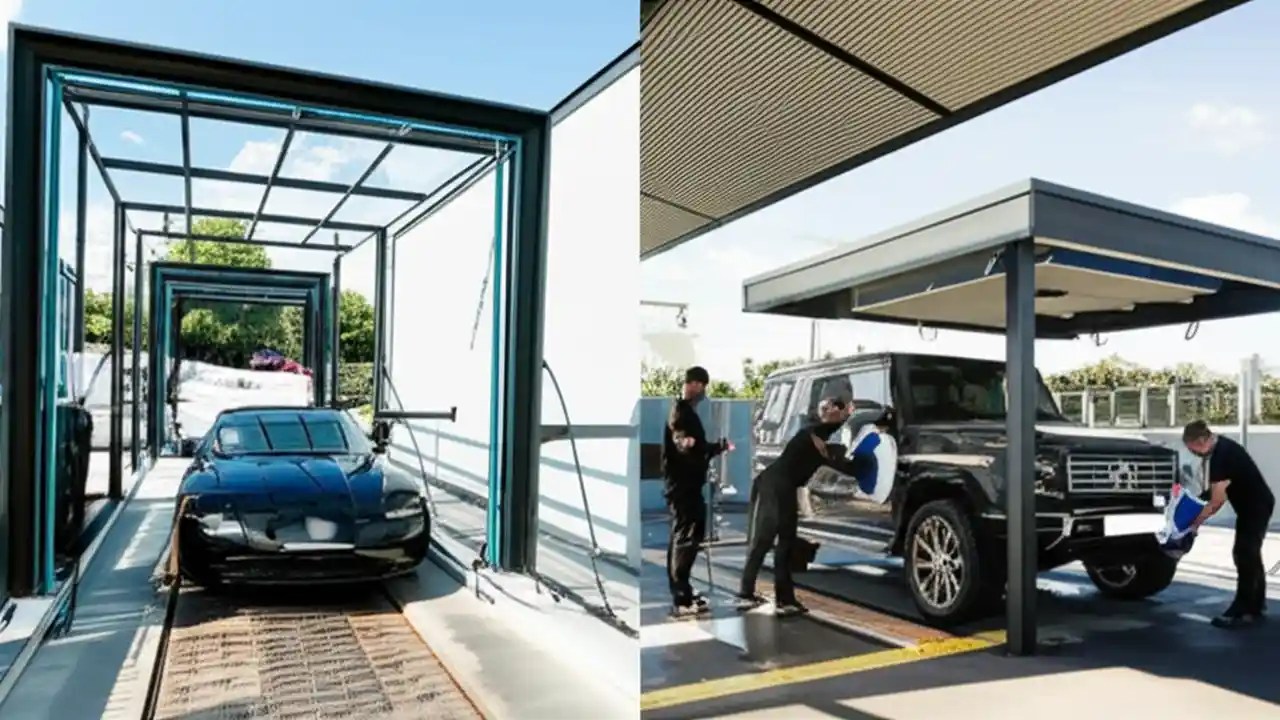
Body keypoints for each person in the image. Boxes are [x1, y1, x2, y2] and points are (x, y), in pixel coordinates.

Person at [736, 397, 868, 616]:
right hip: (779, 485)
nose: (826, 411)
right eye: (825, 408)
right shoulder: (817, 431)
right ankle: (779, 599)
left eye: (831, 408)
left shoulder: (824, 435)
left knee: (770, 540)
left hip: (776, 484)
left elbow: (842, 463)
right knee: (778, 542)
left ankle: (749, 594)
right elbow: (833, 448)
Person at [1183, 420, 1276, 628]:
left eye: (1193, 449)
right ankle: (1256, 604)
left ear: (1201, 440)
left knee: (1243, 553)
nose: (1194, 453)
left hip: (1255, 506)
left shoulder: (1221, 456)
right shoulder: (1222, 447)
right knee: (1250, 553)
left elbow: (1217, 500)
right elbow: (1212, 490)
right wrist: (1194, 503)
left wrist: (1195, 523)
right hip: (1255, 503)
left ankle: (1240, 610)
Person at [663, 366, 732, 616]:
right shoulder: (681, 412)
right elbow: (682, 439)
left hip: (686, 485)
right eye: (700, 386)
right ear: (694, 384)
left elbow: (697, 448)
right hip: (684, 487)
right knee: (687, 537)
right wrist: (684, 443)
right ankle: (681, 598)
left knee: (683, 536)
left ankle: (682, 592)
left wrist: (717, 448)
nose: (701, 392)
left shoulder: (686, 411)